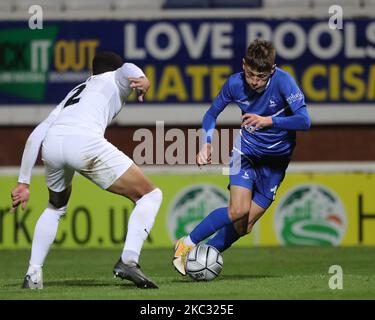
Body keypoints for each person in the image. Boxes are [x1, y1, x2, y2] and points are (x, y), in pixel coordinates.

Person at [11, 52, 162, 289]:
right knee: (150, 195)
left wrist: (24, 182)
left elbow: (36, 133)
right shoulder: (117, 77)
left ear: (91, 73)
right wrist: (143, 79)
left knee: (56, 206)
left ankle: (33, 274)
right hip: (82, 142)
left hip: (53, 142)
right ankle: (128, 260)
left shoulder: (75, 92)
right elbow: (127, 69)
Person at [173, 39, 311, 275]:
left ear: (272, 70)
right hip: (245, 153)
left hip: (276, 164)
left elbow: (305, 120)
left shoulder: (284, 82)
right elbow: (211, 114)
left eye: (261, 76)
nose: (254, 81)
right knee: (238, 209)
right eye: (250, 74)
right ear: (243, 65)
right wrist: (206, 144)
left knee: (244, 225)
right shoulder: (235, 84)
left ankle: (200, 257)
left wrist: (270, 121)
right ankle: (186, 244)